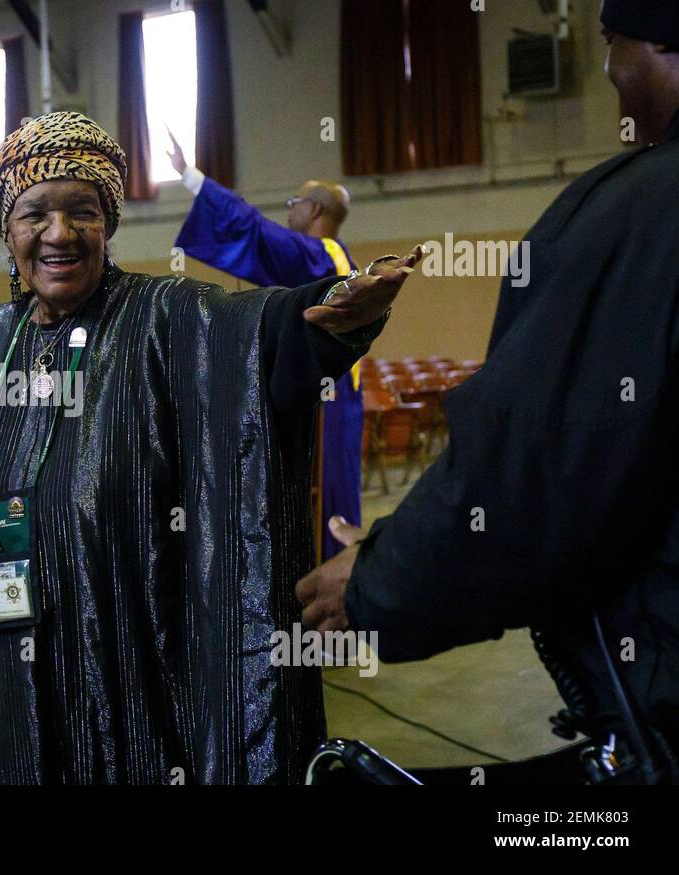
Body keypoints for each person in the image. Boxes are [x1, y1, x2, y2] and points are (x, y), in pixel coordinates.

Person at [0, 112, 421, 784]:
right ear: (7, 231)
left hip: (123, 677)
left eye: (82, 211)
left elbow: (247, 338)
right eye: (35, 215)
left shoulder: (161, 318)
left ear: (107, 224)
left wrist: (327, 316)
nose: (60, 233)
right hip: (6, 669)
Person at [297, 0, 679, 780]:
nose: (608, 70)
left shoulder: (636, 214)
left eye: (613, 41)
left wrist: (377, 581)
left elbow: (534, 473)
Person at [169, 132, 362, 562]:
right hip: (341, 395)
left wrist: (191, 177)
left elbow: (252, 228)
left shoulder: (318, 255)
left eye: (295, 202)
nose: (289, 209)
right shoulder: (339, 255)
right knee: (336, 490)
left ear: (313, 209)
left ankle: (323, 578)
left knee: (323, 493)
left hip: (326, 403)